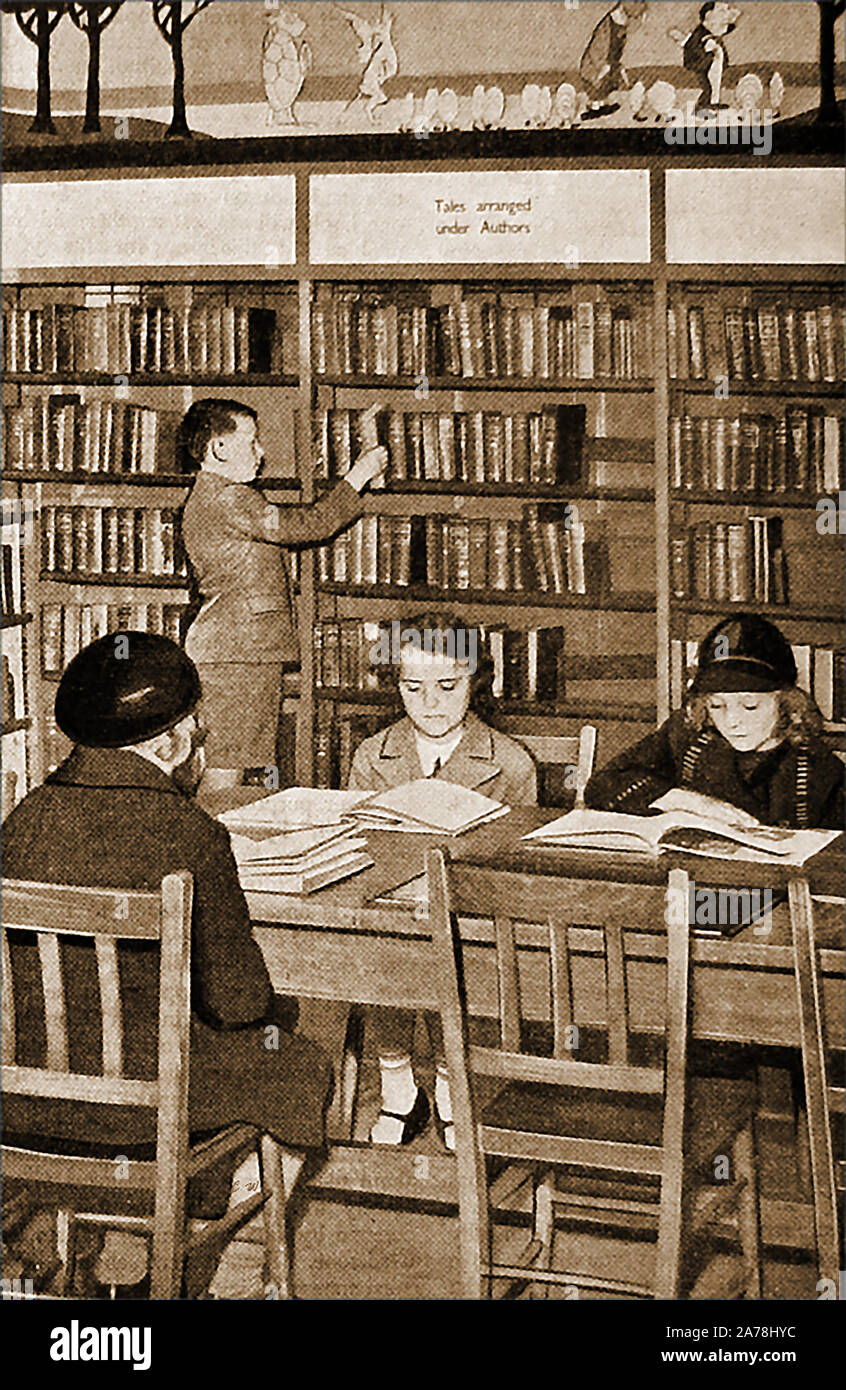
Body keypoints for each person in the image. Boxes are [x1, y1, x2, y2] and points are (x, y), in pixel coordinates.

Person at [2, 633, 333, 1218]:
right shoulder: (192, 833)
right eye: (197, 726)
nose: (202, 738)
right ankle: (201, 1235)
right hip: (153, 1112)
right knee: (300, 1058)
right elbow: (241, 1004)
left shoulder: (20, 822)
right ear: (172, 742)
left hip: (21, 1107)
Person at [347, 613, 538, 1149]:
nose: (430, 703)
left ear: (477, 681)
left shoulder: (511, 763)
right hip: (391, 921)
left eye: (448, 687)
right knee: (377, 948)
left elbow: (513, 877)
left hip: (471, 928)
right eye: (414, 688)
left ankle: (454, 1090)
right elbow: (360, 853)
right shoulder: (372, 755)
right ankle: (399, 1090)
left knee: (462, 960)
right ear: (396, 687)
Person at [179, 398, 386, 792]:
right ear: (218, 448)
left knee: (232, 763)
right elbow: (308, 525)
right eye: (252, 441)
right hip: (239, 651)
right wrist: (358, 475)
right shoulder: (230, 497)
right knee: (228, 767)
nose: (260, 453)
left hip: (236, 650)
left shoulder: (212, 496)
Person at [585, 613, 844, 829]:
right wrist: (684, 800)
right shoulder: (687, 737)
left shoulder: (820, 769)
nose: (732, 721)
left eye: (750, 706)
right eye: (717, 705)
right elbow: (601, 786)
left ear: (788, 704)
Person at [579, 1, 648, 121]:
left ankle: (601, 104)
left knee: (612, 80)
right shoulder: (607, 25)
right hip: (595, 66)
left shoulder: (623, 22)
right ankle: (595, 106)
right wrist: (602, 66)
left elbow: (618, 48)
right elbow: (596, 49)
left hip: (610, 64)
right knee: (600, 82)